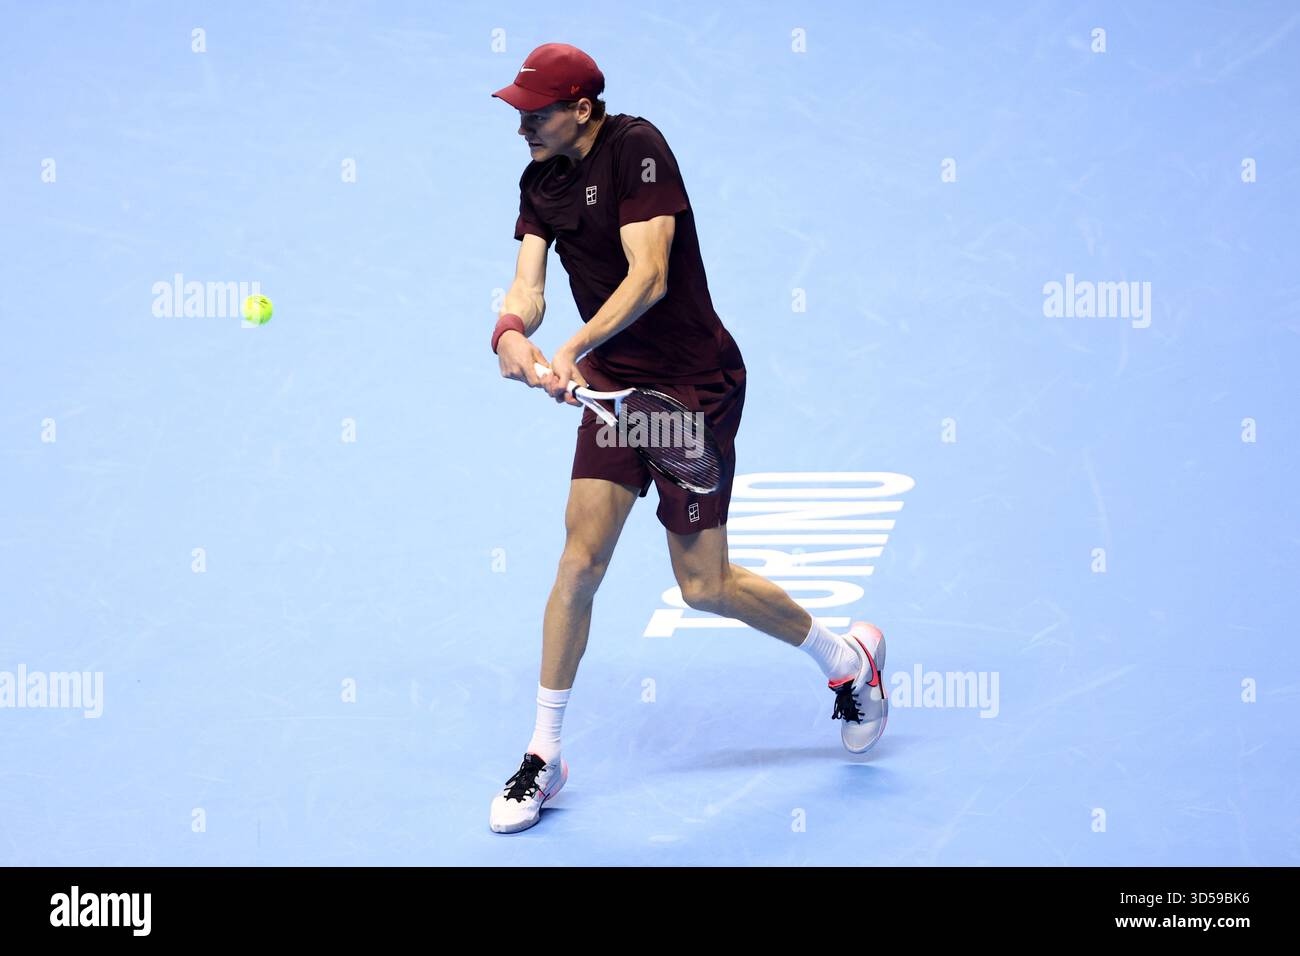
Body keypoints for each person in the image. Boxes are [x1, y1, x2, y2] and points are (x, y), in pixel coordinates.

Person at [487, 43, 888, 834]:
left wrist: (567, 348)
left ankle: (848, 660)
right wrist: (509, 333)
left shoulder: (638, 150)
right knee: (578, 563)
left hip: (688, 392)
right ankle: (545, 753)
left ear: (582, 109)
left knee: (704, 587)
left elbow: (651, 277)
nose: (522, 125)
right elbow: (529, 286)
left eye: (536, 112)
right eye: (518, 111)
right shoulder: (542, 178)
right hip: (615, 389)